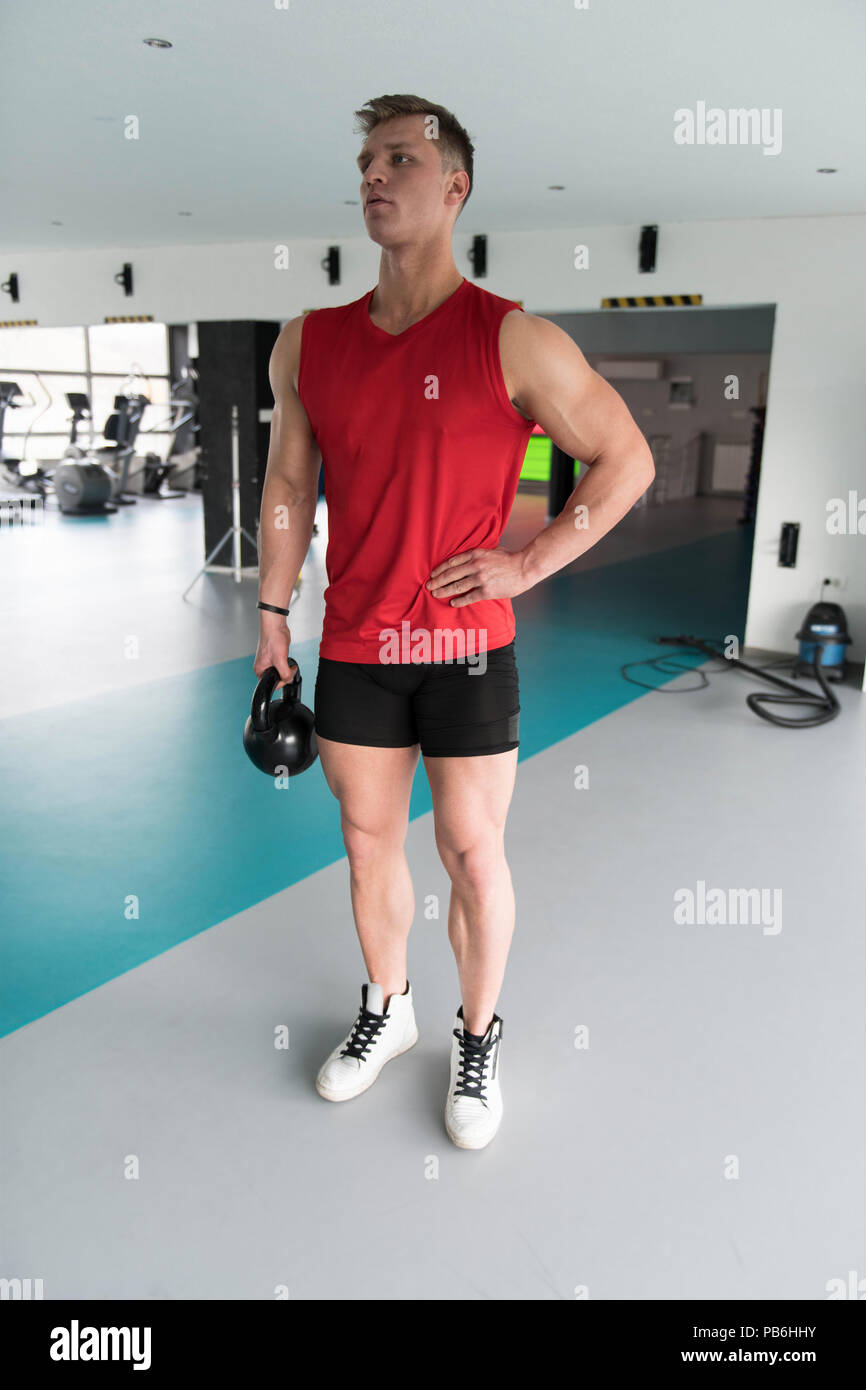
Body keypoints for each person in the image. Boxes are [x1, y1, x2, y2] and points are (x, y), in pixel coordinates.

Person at [255, 94, 654, 1150]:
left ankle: (476, 1035)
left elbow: (627, 461)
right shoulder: (309, 343)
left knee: (473, 856)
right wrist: (268, 615)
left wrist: (528, 563)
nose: (375, 175)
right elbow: (290, 479)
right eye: (366, 160)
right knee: (364, 840)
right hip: (355, 646)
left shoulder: (511, 337)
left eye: (400, 158)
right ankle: (388, 1006)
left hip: (466, 648)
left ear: (454, 188)